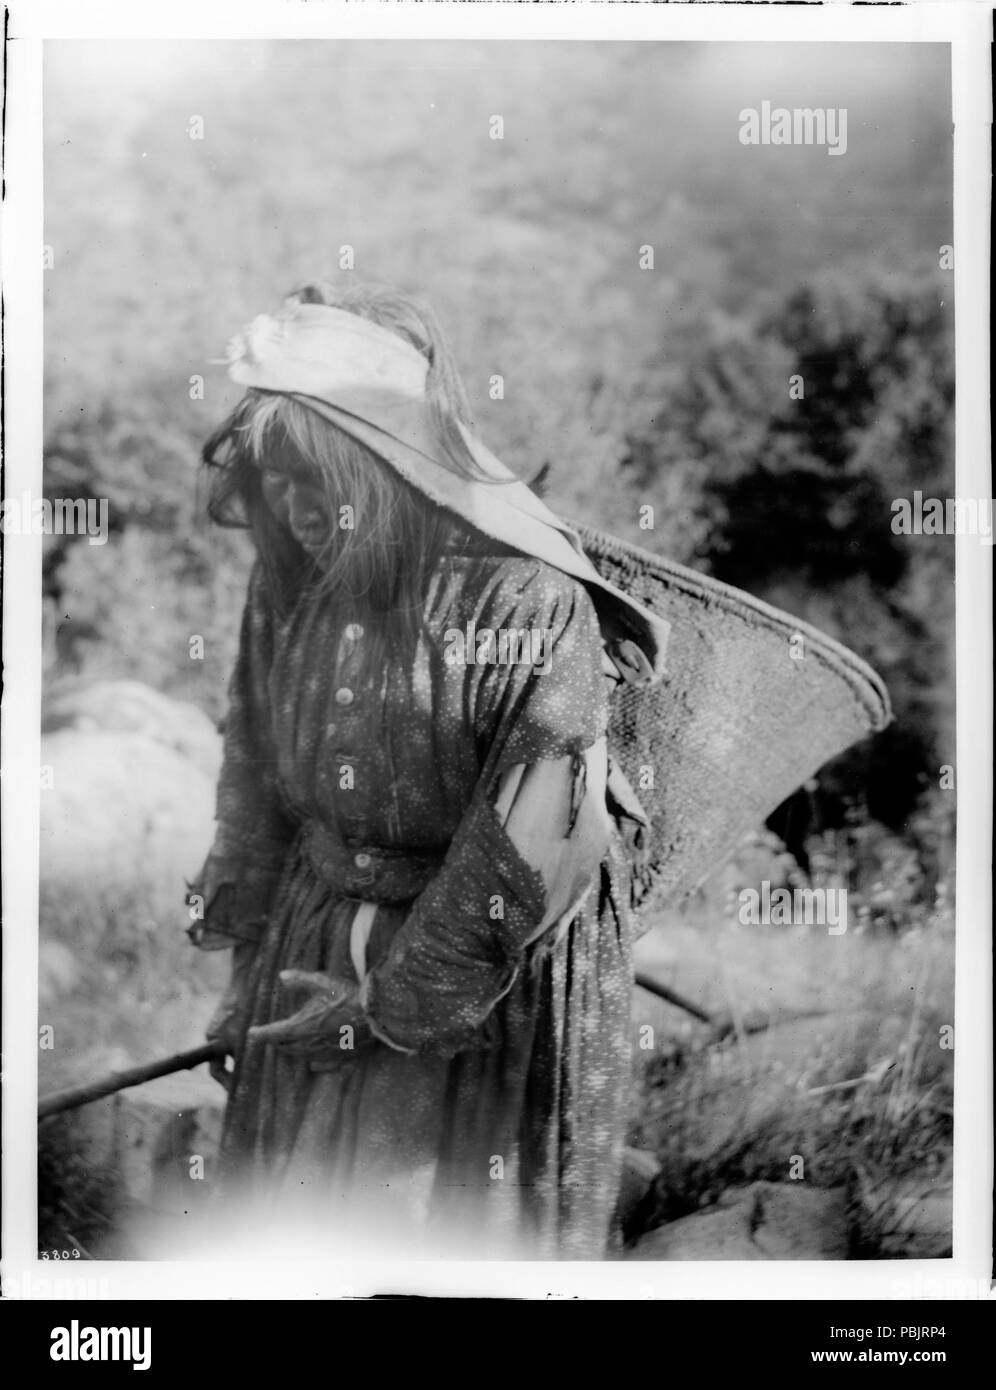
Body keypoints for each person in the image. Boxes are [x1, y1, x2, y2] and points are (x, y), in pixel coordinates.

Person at [186, 281, 669, 1259]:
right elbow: (253, 779)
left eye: (322, 475)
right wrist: (246, 982)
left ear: (395, 462)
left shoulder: (527, 600)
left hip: (486, 978)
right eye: (277, 473)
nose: (296, 504)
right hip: (314, 935)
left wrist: (389, 1012)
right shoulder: (289, 580)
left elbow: (528, 847)